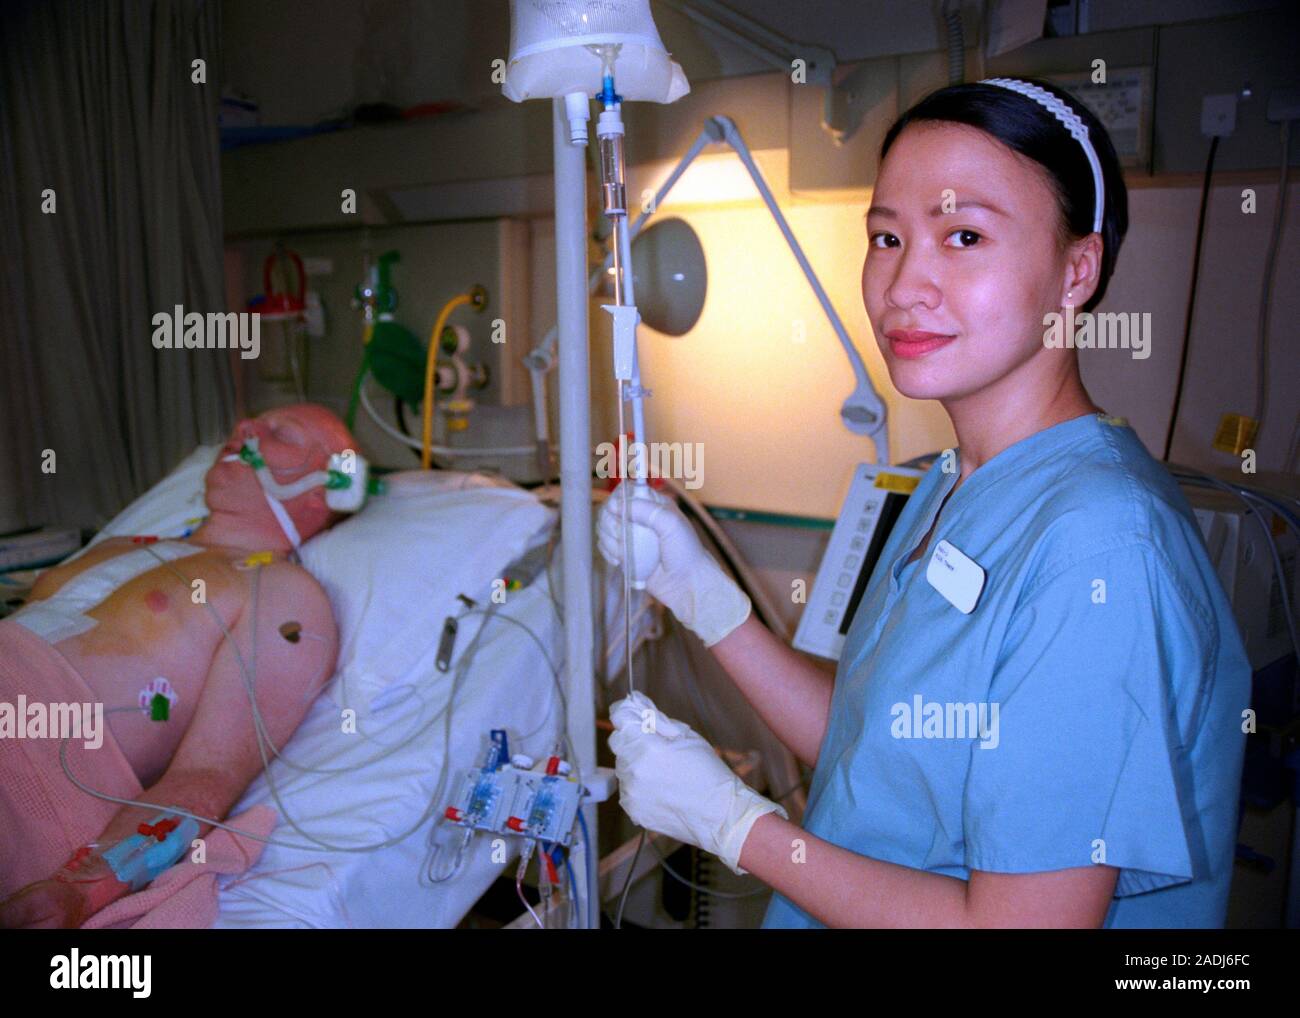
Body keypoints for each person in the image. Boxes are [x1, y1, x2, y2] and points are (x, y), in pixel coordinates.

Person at [599, 79, 1252, 928]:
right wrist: (707, 603)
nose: (905, 284)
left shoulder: (1098, 548)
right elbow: (877, 742)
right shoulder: (948, 483)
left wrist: (740, 828)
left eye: (965, 235)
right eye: (887, 236)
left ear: (1076, 271)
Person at [0, 403, 355, 928]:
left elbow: (206, 778)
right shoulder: (121, 547)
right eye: (251, 422)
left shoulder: (283, 597)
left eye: (280, 432)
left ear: (327, 488)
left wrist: (82, 890)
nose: (245, 428)